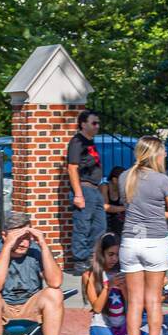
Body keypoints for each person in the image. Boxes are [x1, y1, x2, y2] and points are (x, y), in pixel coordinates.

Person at [119, 136, 168, 335]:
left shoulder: (126, 177)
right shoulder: (163, 180)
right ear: (155, 154)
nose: (165, 155)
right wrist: (160, 213)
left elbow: (128, 208)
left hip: (131, 241)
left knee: (134, 302)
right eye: (163, 152)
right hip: (155, 241)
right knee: (154, 301)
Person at [84, 232, 168, 335]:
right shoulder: (90, 275)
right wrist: (108, 287)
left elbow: (134, 304)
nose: (114, 259)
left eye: (117, 255)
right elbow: (97, 308)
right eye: (111, 254)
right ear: (101, 253)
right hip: (103, 325)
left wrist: (124, 288)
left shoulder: (126, 273)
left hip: (126, 325)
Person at [66, 109, 105, 272]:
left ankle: (92, 257)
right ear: (83, 124)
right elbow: (72, 168)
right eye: (93, 123)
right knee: (83, 226)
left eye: (98, 123)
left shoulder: (90, 142)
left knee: (99, 225)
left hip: (95, 189)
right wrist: (78, 194)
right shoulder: (77, 142)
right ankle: (81, 261)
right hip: (84, 188)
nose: (97, 126)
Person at [104, 166, 126, 237]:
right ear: (114, 180)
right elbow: (105, 207)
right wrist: (124, 208)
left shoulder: (123, 189)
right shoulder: (104, 187)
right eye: (123, 179)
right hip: (107, 222)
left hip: (119, 223)